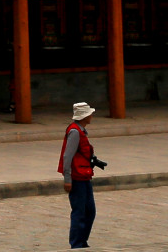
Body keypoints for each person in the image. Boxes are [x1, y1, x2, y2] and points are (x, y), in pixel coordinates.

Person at [58, 100, 107, 248]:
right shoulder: (74, 132)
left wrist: (95, 162)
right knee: (80, 211)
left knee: (89, 211)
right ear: (84, 116)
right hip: (77, 177)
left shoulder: (80, 131)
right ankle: (77, 244)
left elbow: (82, 153)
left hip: (84, 175)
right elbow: (68, 156)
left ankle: (82, 241)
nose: (92, 116)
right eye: (89, 114)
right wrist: (67, 179)